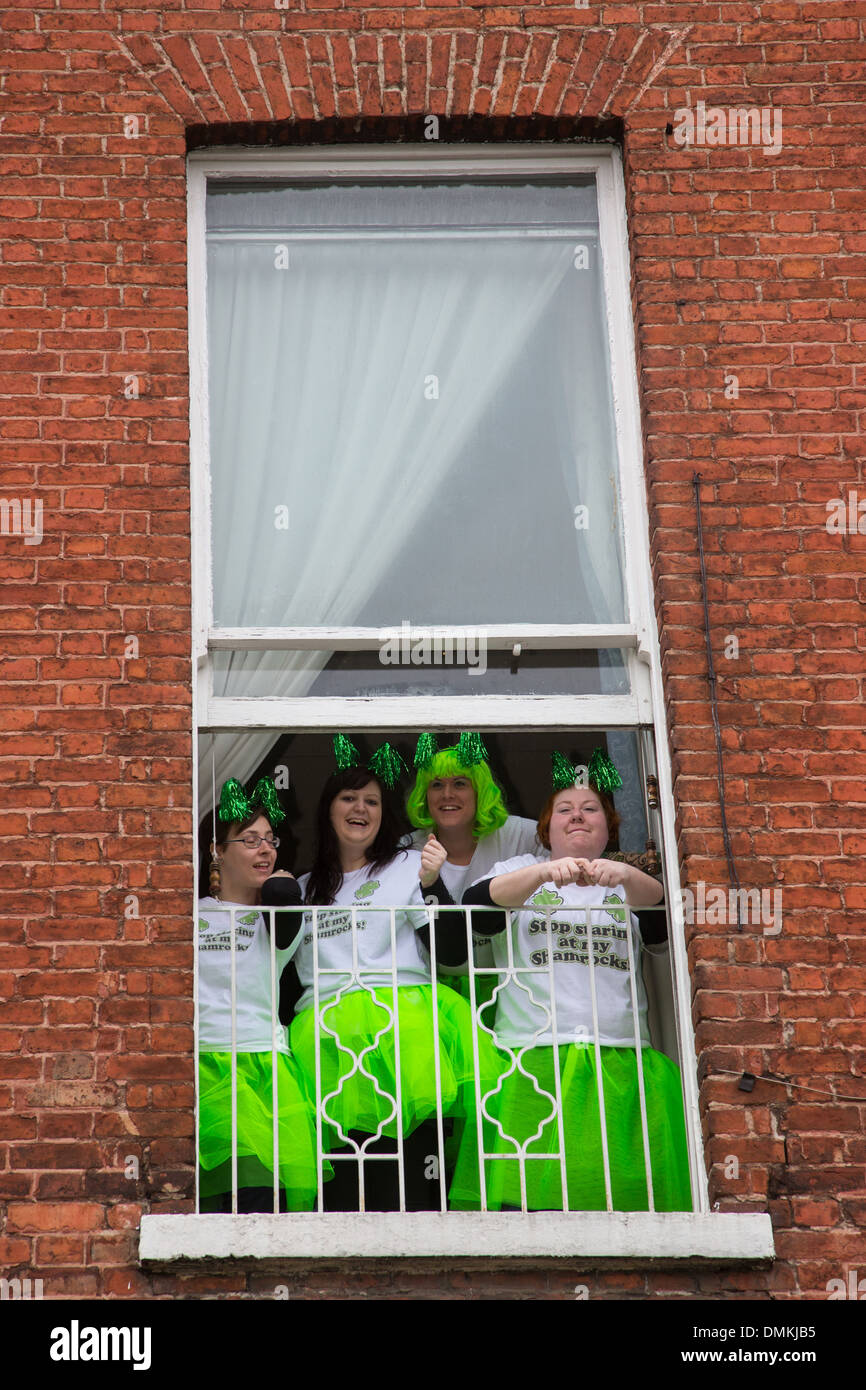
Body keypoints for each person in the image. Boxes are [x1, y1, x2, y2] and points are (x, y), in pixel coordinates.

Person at [450, 753, 691, 1213]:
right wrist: (543, 872)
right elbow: (475, 902)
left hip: (619, 1053)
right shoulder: (519, 869)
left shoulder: (627, 884)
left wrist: (627, 876)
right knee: (523, 1198)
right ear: (546, 829)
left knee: (619, 1196)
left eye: (590, 808)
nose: (577, 815)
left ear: (608, 826)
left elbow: (661, 922)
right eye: (564, 809)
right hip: (532, 1056)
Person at [287, 742, 496, 1211]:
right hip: (326, 1040)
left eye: (373, 801)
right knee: (339, 1178)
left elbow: (452, 952)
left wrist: (431, 884)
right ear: (328, 809)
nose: (360, 808)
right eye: (349, 798)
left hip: (406, 1032)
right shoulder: (301, 889)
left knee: (412, 1174)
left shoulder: (406, 865)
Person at [197, 776, 323, 1213]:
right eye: (249, 840)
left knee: (258, 1200)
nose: (265, 849)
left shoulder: (277, 916)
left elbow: (287, 900)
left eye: (270, 840)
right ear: (216, 850)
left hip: (262, 1067)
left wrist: (279, 888)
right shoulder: (189, 915)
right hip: (201, 1068)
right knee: (205, 1200)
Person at [406, 733, 539, 1006]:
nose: (447, 794)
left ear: (480, 790)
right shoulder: (407, 849)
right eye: (436, 785)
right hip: (435, 990)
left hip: (517, 989)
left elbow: (567, 853)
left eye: (460, 784)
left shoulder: (521, 835)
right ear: (424, 795)